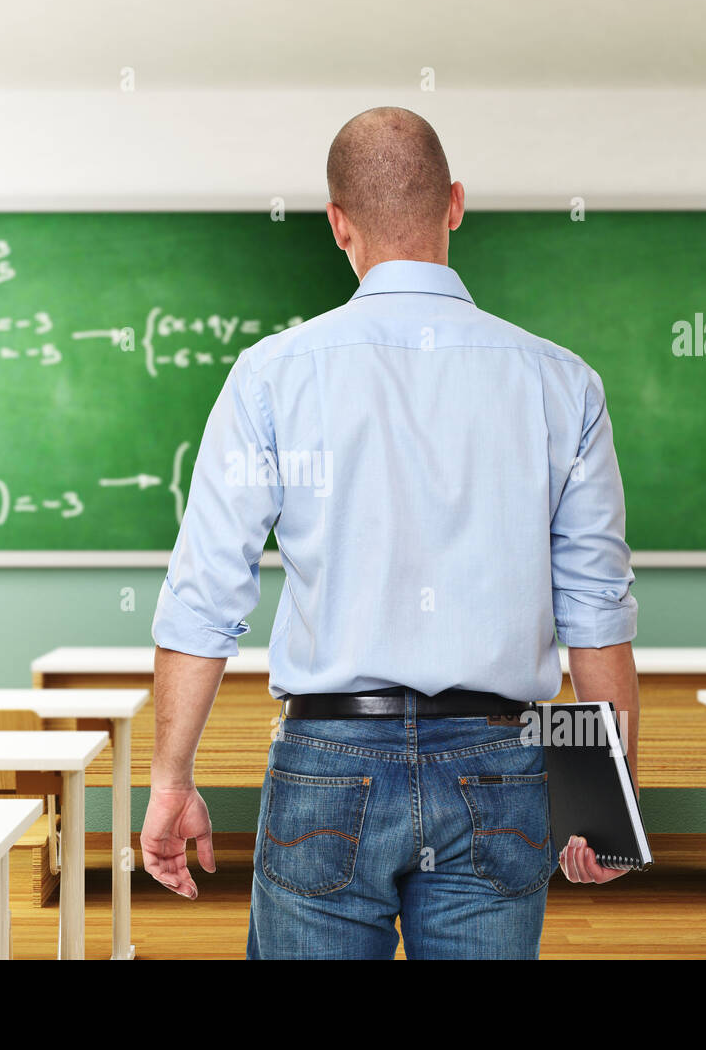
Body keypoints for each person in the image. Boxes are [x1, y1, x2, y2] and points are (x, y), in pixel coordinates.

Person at [140, 106, 640, 959]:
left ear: (338, 223)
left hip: (327, 759)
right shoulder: (562, 382)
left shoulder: (272, 375)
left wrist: (170, 779)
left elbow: (203, 596)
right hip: (501, 756)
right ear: (454, 204)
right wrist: (604, 805)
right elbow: (593, 609)